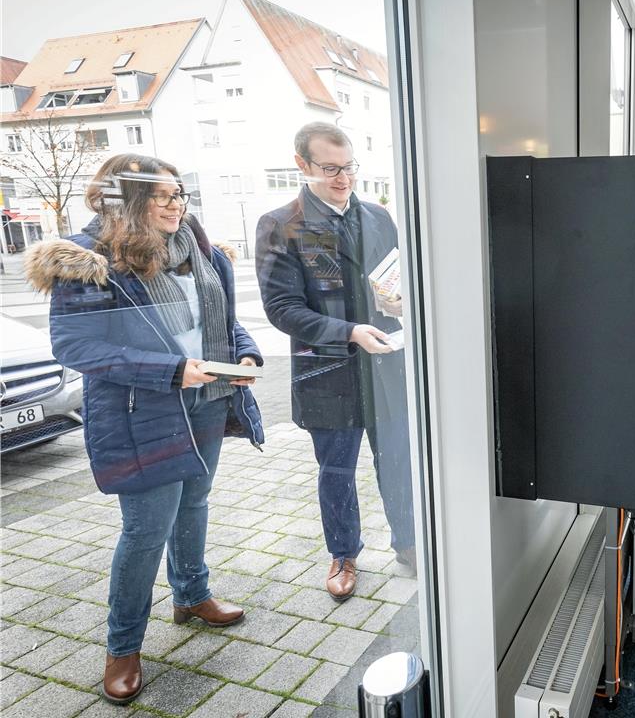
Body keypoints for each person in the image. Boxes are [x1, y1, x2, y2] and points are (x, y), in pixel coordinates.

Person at [26, 154, 264, 705]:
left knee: (195, 503)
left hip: (207, 399)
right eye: (162, 197)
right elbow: (76, 345)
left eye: (180, 195)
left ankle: (191, 595)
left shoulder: (199, 249)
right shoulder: (90, 261)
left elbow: (222, 321)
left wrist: (244, 353)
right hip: (142, 411)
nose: (176, 206)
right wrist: (170, 371)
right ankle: (123, 647)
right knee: (146, 529)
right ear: (127, 203)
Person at [256, 122, 414, 602]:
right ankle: (344, 554)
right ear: (302, 165)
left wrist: (400, 302)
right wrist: (348, 332)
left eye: (348, 167)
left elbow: (392, 279)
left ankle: (408, 543)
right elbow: (282, 309)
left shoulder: (378, 216)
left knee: (400, 463)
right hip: (329, 373)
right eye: (330, 169)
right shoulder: (281, 224)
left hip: (385, 366)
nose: (343, 178)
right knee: (338, 471)